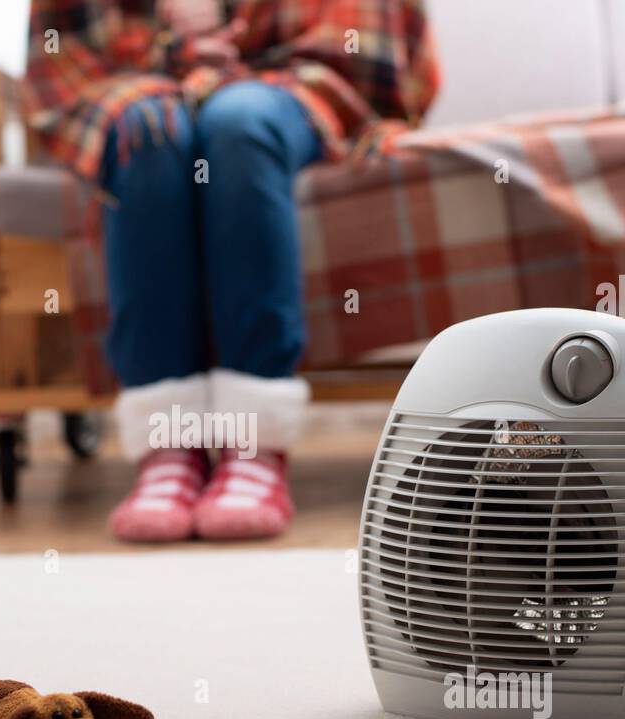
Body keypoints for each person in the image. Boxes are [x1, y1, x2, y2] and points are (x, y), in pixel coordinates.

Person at [24, 0, 440, 541]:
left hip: (287, 77)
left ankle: (254, 447)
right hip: (137, 82)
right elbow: (66, 48)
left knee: (239, 124)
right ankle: (168, 448)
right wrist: (170, 44)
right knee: (146, 131)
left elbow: (360, 38)